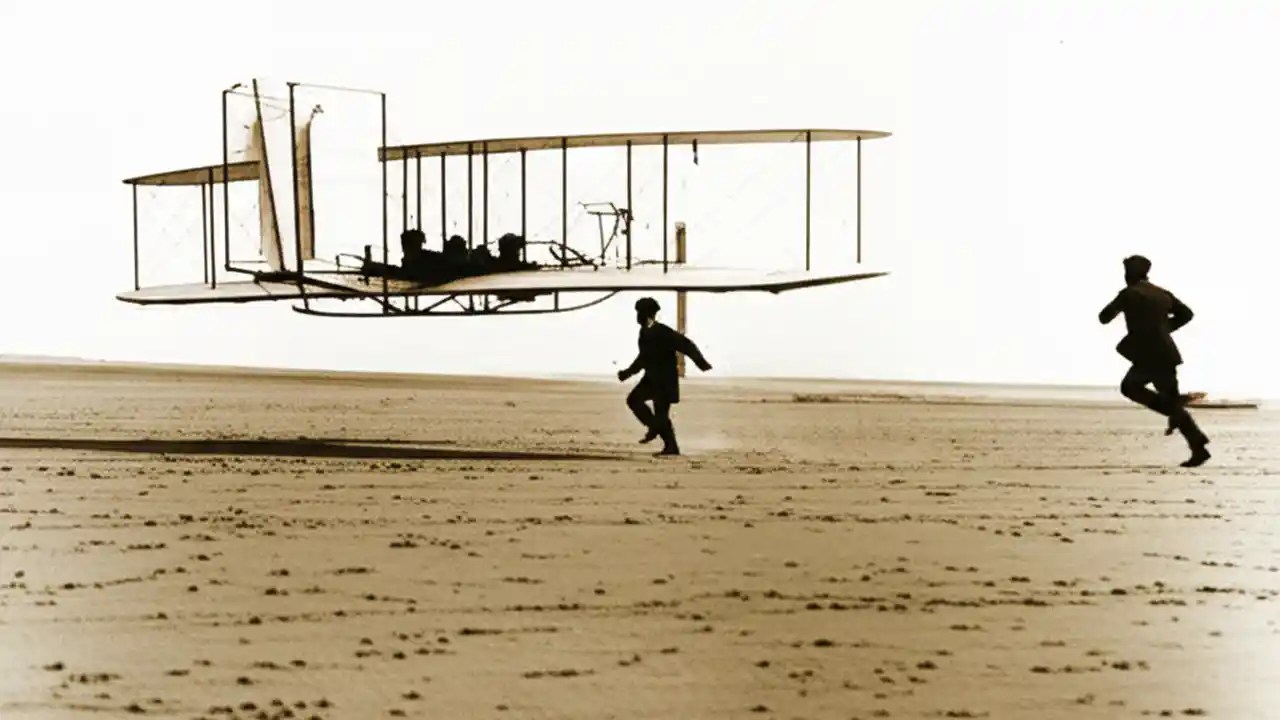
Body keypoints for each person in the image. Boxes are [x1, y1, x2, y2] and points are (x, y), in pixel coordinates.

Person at [1098, 255, 1210, 467]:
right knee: (1170, 401)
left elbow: (1104, 317)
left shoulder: (1129, 294)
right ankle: (1198, 446)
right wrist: (1165, 328)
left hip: (1148, 355)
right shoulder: (1162, 293)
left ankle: (1178, 415)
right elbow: (1186, 314)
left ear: (1129, 274)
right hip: (1167, 354)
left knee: (1130, 387)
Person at [617, 297, 712, 456]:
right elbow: (644, 357)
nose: (637, 316)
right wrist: (628, 372)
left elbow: (686, 344)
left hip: (664, 379)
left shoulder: (661, 331)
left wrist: (701, 362)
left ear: (646, 314)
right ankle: (661, 434)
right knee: (637, 402)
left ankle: (665, 439)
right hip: (652, 377)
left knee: (658, 412)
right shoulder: (645, 331)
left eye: (639, 313)